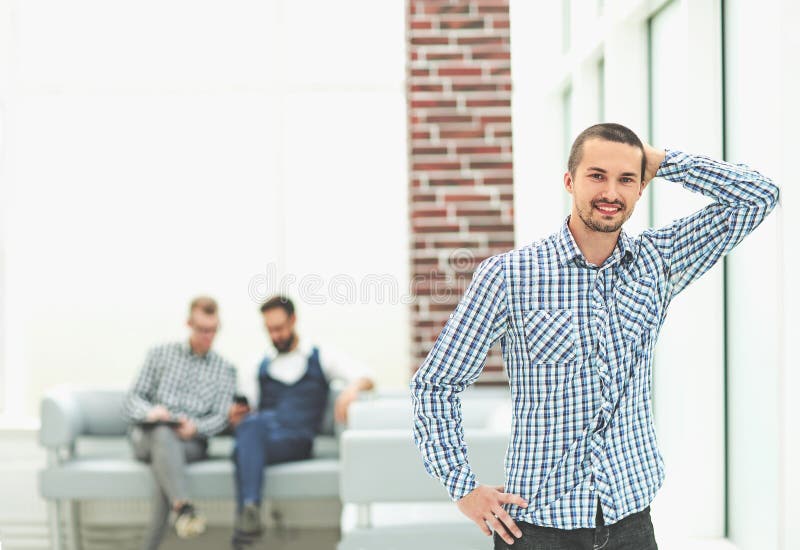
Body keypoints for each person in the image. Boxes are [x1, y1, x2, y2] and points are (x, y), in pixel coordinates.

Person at [411, 123, 780, 549]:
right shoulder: (510, 276)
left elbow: (759, 195)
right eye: (597, 175)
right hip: (537, 526)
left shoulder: (659, 262)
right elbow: (435, 384)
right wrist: (463, 488)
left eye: (626, 179)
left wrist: (662, 162)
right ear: (569, 181)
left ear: (642, 189)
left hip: (631, 522)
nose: (611, 192)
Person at [229, 295, 374, 547]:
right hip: (265, 437)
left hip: (297, 439)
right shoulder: (258, 364)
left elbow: (366, 376)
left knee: (242, 449)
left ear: (293, 320)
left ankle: (246, 522)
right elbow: (247, 412)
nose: (275, 335)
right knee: (249, 428)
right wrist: (235, 416)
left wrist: (350, 391)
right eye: (269, 330)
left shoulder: (320, 355)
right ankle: (249, 513)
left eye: (279, 328)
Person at [123, 296, 237, 550]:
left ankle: (179, 508)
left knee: (165, 463)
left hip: (190, 443)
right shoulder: (159, 354)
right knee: (163, 434)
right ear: (188, 323)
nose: (208, 336)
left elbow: (220, 417)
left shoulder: (225, 369)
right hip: (149, 436)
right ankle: (184, 506)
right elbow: (132, 399)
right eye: (202, 330)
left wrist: (196, 428)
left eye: (213, 330)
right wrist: (152, 412)